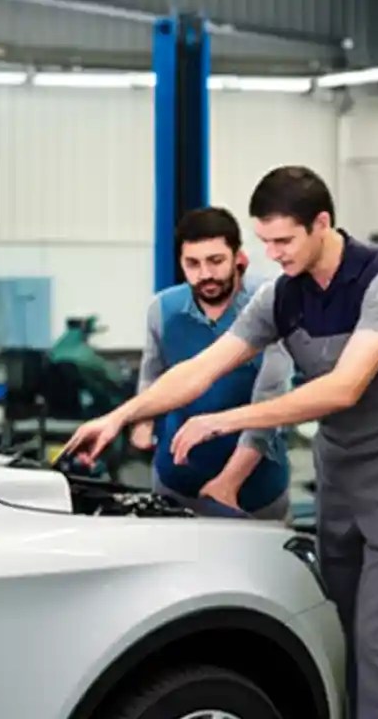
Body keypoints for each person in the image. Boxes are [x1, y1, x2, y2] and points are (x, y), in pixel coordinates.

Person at [64, 166, 378, 718]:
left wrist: (224, 421)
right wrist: (120, 416)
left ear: (322, 224)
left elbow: (344, 387)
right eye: (265, 242)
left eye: (284, 241)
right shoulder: (281, 296)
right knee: (336, 624)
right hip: (338, 472)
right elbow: (200, 368)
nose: (273, 254)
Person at [131, 206, 294, 521]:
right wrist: (143, 424)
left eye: (216, 261)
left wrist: (228, 483)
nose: (205, 274)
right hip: (175, 485)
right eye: (192, 263)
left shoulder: (271, 302)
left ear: (238, 257)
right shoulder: (163, 309)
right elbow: (152, 374)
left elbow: (270, 404)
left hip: (256, 491)